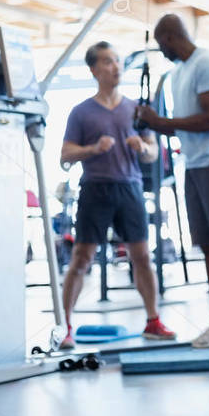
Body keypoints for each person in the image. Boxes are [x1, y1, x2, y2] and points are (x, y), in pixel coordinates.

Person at [137, 14, 209, 353]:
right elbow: (181, 125)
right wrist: (152, 123)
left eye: (162, 45)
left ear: (173, 37)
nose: (162, 52)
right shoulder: (178, 73)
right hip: (195, 164)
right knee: (208, 245)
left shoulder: (208, 63)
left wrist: (161, 120)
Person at [60, 41, 175, 347]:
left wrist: (144, 147)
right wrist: (93, 149)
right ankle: (65, 327)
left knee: (141, 257)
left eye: (118, 61)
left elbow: (152, 153)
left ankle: (153, 321)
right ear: (95, 69)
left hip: (130, 188)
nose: (116, 67)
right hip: (95, 188)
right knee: (81, 258)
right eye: (109, 62)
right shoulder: (81, 112)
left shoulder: (136, 109)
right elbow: (65, 155)